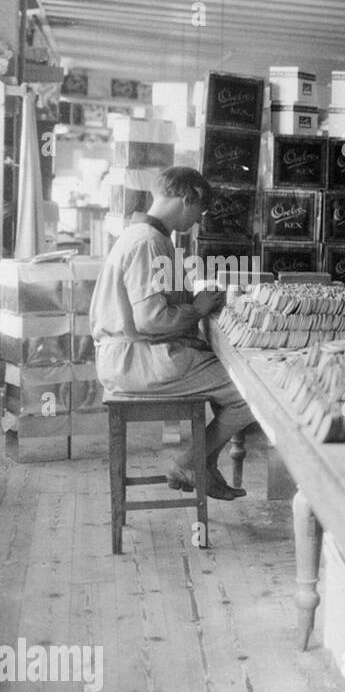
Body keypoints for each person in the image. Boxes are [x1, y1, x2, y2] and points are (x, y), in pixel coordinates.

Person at [89, 167, 255, 498]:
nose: (196, 221)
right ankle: (191, 463)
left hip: (130, 355)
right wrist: (199, 309)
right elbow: (151, 320)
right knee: (251, 390)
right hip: (136, 361)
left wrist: (192, 297)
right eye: (198, 211)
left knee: (228, 375)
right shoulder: (150, 242)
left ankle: (202, 464)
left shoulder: (144, 235)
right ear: (187, 197)